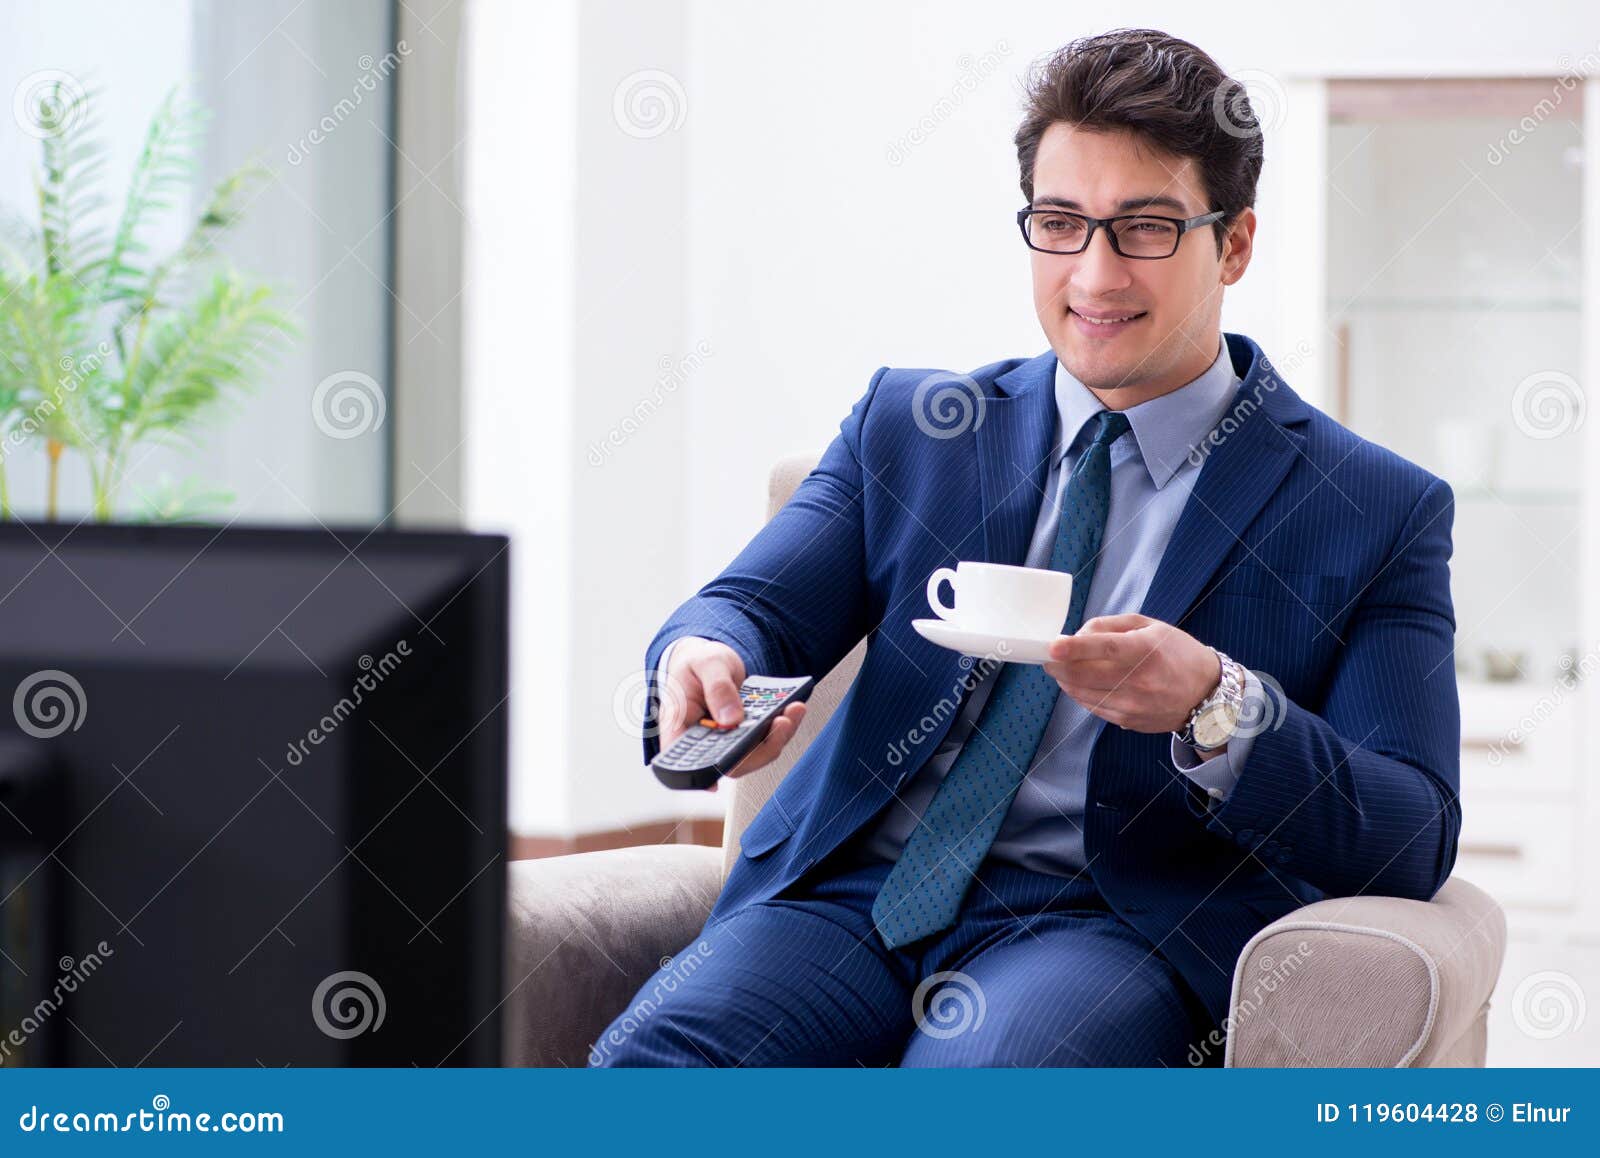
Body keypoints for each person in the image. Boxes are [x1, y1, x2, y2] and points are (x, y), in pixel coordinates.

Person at [592, 27, 1460, 1067]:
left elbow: (1411, 831)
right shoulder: (911, 427)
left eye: (1142, 227)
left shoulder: (1371, 505)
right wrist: (701, 655)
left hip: (1098, 923)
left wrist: (1218, 705)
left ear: (1232, 244)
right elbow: (751, 608)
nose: (1092, 274)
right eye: (1060, 223)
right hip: (847, 898)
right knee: (656, 1067)